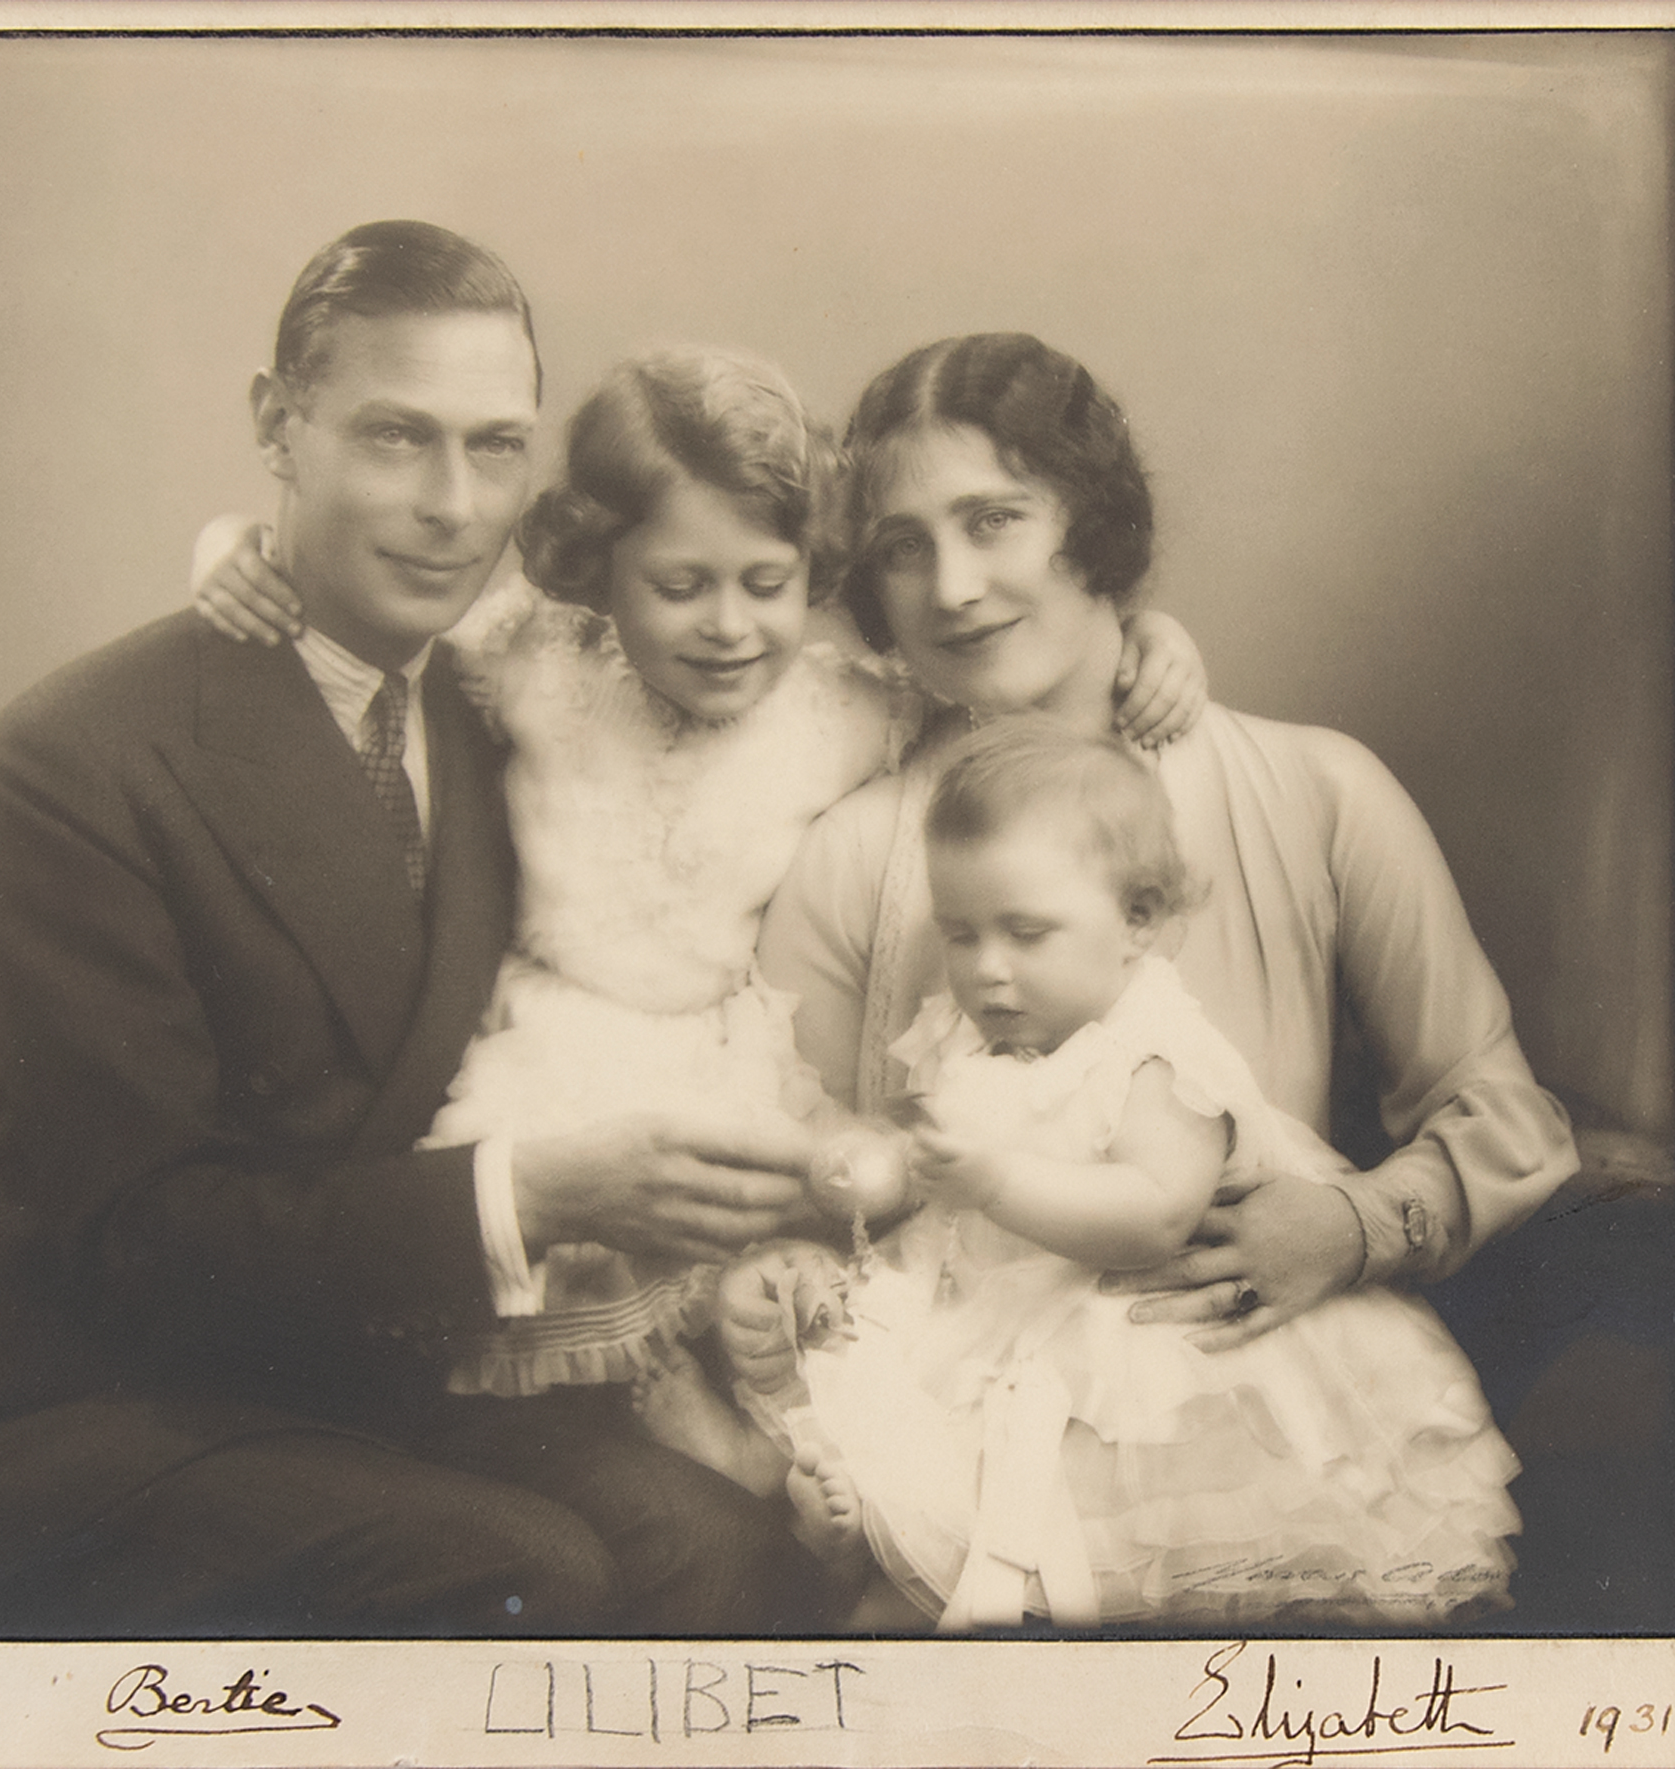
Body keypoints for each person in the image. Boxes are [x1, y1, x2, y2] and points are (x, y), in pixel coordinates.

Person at [0, 222, 860, 1638]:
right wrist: (537, 1193)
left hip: (357, 1372)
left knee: (722, 1542)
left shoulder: (501, 707)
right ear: (278, 427)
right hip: (95, 1402)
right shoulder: (74, 761)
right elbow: (142, 1237)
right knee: (532, 1570)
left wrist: (1133, 652)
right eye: (398, 438)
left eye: (496, 446)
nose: (454, 505)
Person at [187, 348, 1205, 1453]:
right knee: (485, 1333)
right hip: (545, 1038)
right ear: (595, 575)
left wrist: (1151, 639)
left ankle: (742, 1453)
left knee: (766, 1310)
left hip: (721, 1055)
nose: (727, 625)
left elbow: (997, 684)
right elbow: (365, 633)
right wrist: (234, 550)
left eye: (765, 585)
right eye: (678, 586)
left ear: (809, 570)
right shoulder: (535, 659)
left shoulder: (846, 709)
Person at [733, 332, 1577, 1376]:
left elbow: (1505, 1117)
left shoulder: (1317, 792)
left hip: (1245, 1417)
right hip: (960, 1420)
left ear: (1089, 523)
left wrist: (1353, 1224)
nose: (951, 587)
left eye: (994, 520)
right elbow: (789, 1183)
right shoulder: (846, 854)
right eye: (903, 547)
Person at [733, 718, 1521, 1632]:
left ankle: (906, 1584)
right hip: (998, 1310)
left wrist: (992, 1181)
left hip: (1139, 1338)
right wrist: (878, 1171)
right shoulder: (973, 1030)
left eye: (1026, 932)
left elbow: (1155, 1211)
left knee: (1065, 1539)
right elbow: (931, 1170)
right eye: (961, 934)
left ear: (1137, 921)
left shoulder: (1156, 1053)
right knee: (892, 1424)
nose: (987, 970)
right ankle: (859, 1547)